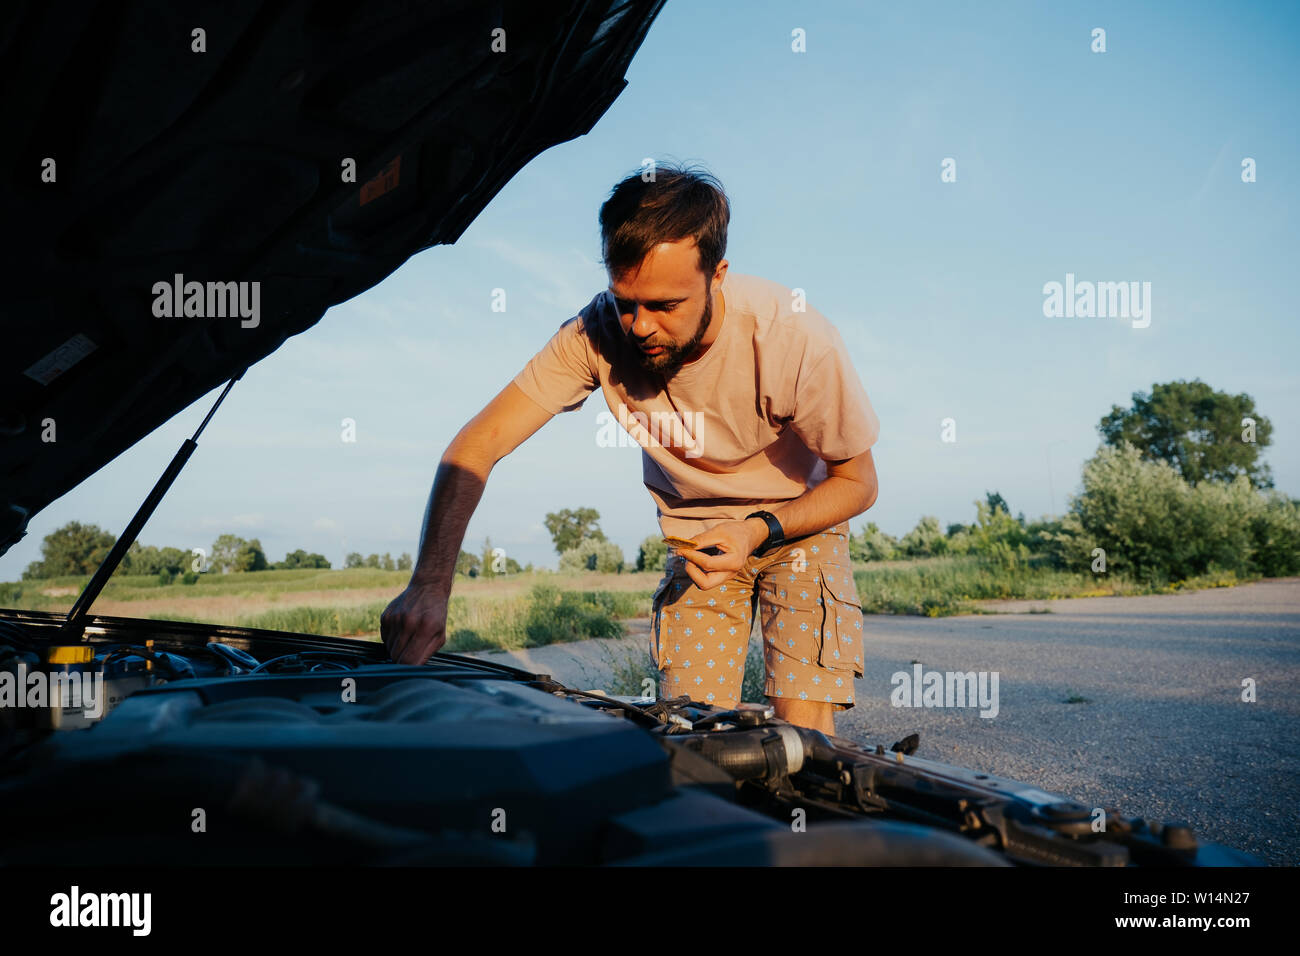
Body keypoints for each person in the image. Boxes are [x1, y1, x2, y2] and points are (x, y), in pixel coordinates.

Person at [381, 162, 879, 735]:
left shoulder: (796, 339)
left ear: (718, 275)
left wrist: (757, 530)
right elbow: (478, 443)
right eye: (625, 301)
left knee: (802, 741)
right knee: (688, 733)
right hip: (697, 539)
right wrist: (428, 583)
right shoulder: (594, 333)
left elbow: (858, 482)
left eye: (665, 305)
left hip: (797, 527)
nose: (639, 326)